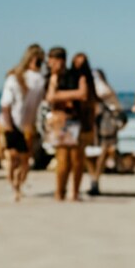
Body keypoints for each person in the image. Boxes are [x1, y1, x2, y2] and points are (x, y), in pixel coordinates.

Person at [0, 44, 46, 200]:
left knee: (24, 158)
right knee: (14, 157)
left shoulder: (39, 80)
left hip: (27, 125)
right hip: (14, 123)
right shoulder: (16, 79)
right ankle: (14, 185)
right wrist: (8, 125)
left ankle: (17, 185)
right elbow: (5, 105)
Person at [44, 47, 89, 201]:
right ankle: (59, 192)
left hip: (74, 118)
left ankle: (74, 192)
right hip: (59, 120)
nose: (49, 64)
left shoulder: (75, 75)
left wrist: (59, 96)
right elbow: (50, 97)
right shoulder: (50, 77)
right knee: (62, 158)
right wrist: (56, 82)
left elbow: (83, 94)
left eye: (52, 60)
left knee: (77, 159)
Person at [87, 68, 126, 195]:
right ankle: (95, 178)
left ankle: (95, 179)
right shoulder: (106, 88)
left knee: (102, 151)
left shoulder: (103, 90)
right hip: (102, 123)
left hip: (105, 122)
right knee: (100, 152)